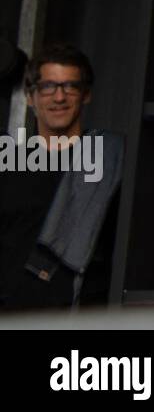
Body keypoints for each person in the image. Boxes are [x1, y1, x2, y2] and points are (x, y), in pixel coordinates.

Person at [0, 42, 122, 311]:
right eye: (47, 87)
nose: (59, 97)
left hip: (77, 317)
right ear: (30, 97)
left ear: (86, 94)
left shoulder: (107, 159)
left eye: (70, 87)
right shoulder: (7, 163)